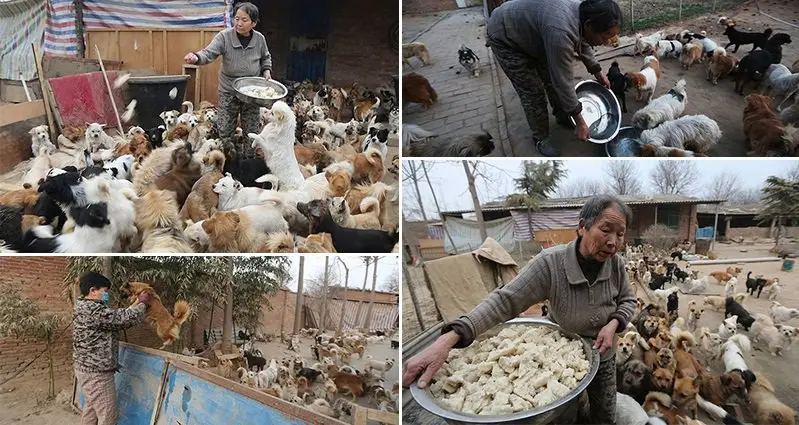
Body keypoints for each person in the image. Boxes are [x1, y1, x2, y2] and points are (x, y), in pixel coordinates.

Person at [403, 195, 638, 424]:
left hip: (604, 356)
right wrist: (447, 340)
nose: (613, 241)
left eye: (620, 234)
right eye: (606, 230)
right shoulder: (550, 264)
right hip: (564, 359)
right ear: (581, 227)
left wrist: (613, 324)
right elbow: (505, 300)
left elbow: (628, 300)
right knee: (568, 414)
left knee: (606, 415)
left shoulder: (615, 264)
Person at [486, 0, 622, 156]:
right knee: (533, 93)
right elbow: (563, 80)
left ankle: (562, 114)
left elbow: (582, 41)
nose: (607, 42)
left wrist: (598, 72)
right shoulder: (560, 31)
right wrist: (580, 121)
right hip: (506, 36)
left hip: (535, 34)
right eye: (605, 36)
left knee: (550, 79)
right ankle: (540, 138)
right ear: (590, 25)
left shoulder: (585, 15)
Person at [184, 2, 273, 158]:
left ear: (253, 22)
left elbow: (266, 57)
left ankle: (248, 162)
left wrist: (266, 72)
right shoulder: (224, 37)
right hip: (229, 91)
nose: (239, 23)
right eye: (236, 18)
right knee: (224, 130)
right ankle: (225, 162)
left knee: (252, 131)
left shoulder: (259, 39)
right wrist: (196, 57)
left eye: (244, 20)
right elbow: (208, 53)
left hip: (251, 93)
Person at [73, 271, 151, 425]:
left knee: (92, 410)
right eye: (105, 291)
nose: (107, 294)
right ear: (93, 291)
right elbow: (122, 319)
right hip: (97, 374)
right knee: (108, 415)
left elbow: (117, 315)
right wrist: (142, 303)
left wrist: (135, 303)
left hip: (87, 369)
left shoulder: (84, 306)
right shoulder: (93, 310)